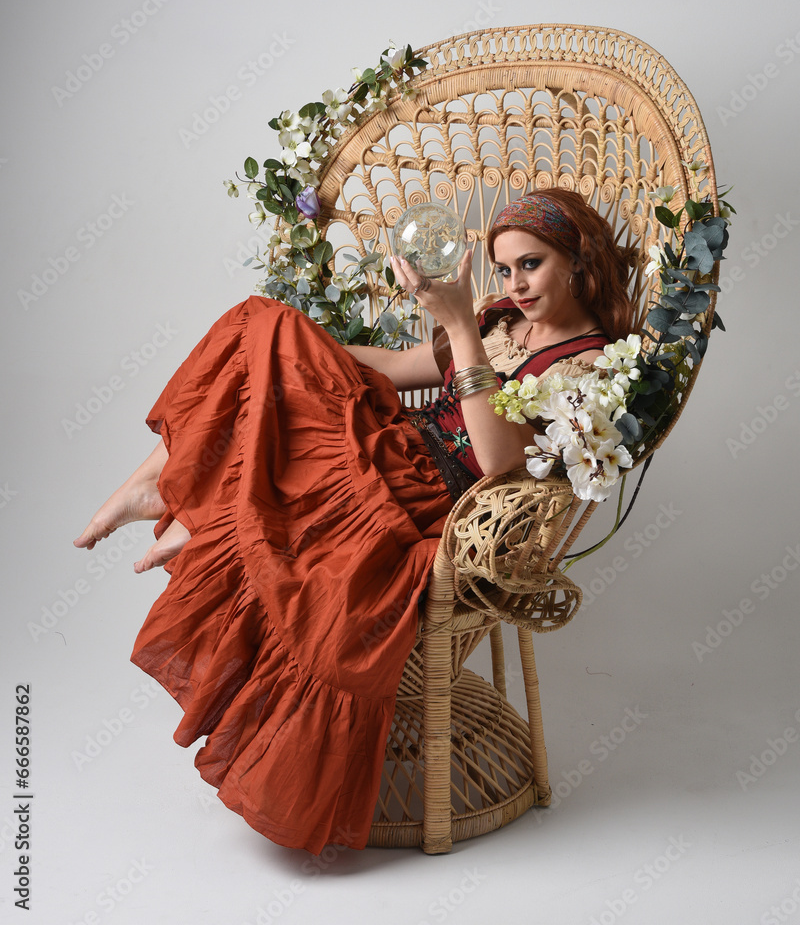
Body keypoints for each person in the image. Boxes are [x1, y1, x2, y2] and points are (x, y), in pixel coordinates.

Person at [74, 188, 634, 853]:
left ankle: (184, 498)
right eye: (505, 269)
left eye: (531, 265)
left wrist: (460, 330)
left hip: (428, 495)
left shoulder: (592, 363)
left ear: (576, 261)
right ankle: (155, 487)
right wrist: (306, 348)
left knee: (280, 402)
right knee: (263, 325)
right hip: (391, 438)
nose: (516, 283)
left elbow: (499, 462)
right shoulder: (501, 319)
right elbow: (398, 370)